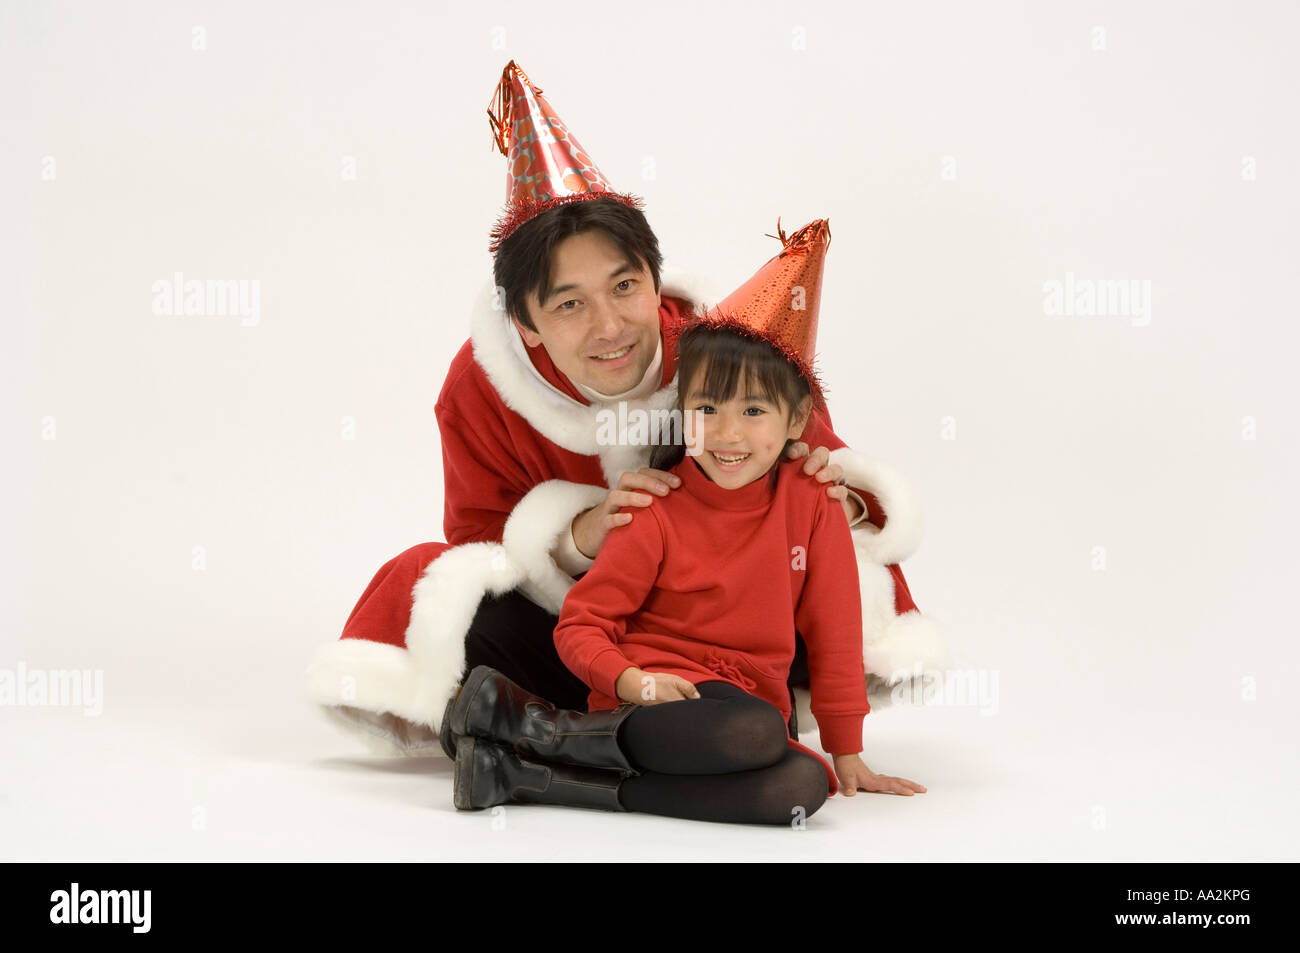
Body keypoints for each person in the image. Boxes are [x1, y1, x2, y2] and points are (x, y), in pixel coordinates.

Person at [304, 61, 945, 757]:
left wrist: (834, 499)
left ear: (652, 275)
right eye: (569, 304)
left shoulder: (725, 355)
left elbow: (823, 470)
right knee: (441, 582)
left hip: (727, 634)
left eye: (624, 286)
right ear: (525, 323)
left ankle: (539, 734)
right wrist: (579, 534)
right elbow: (477, 532)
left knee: (838, 581)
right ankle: (598, 727)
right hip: (583, 629)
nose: (610, 326)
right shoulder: (481, 387)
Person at [444, 220, 926, 824]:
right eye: (706, 410)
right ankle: (546, 728)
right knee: (756, 734)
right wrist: (629, 682)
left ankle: (525, 768)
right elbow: (579, 625)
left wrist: (847, 751)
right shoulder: (657, 508)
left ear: (798, 418)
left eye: (754, 411)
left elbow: (833, 627)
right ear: (681, 411)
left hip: (742, 705)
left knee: (802, 786)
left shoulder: (811, 502)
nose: (728, 434)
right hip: (651, 696)